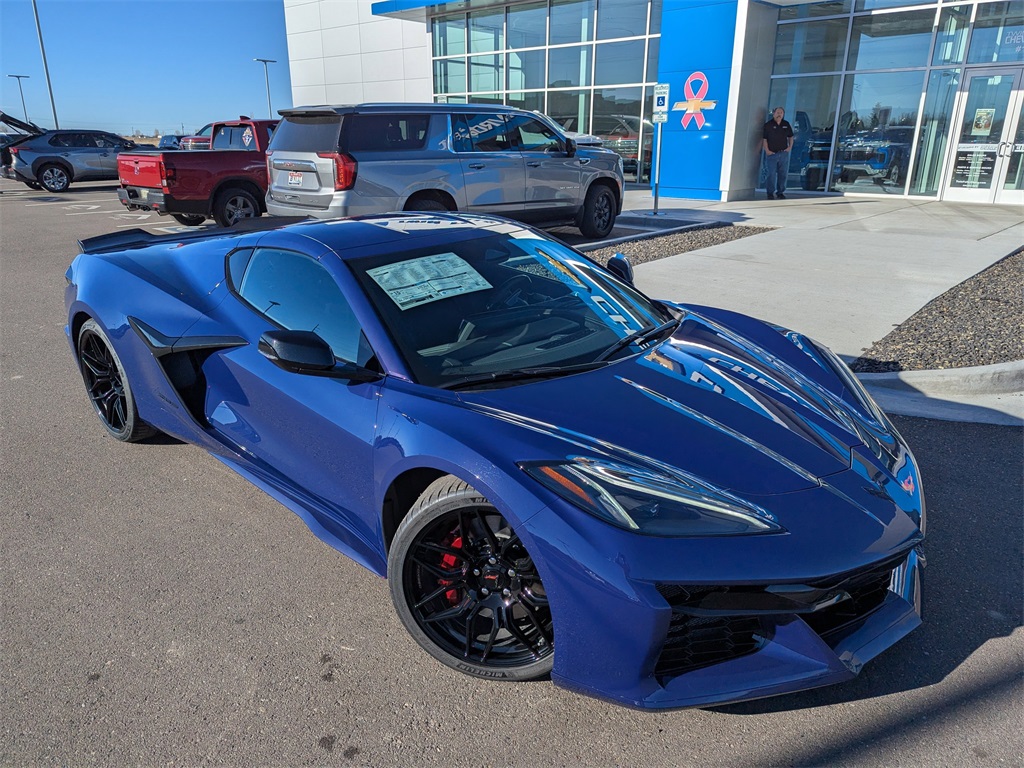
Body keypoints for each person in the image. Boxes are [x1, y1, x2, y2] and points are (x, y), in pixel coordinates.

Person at [762, 107, 794, 200]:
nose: (779, 114)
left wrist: (789, 147)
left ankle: (780, 192)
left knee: (782, 174)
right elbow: (764, 139)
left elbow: (791, 137)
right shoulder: (768, 125)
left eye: (781, 113)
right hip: (772, 154)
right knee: (771, 174)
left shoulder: (786, 124)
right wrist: (767, 150)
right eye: (778, 112)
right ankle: (770, 193)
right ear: (774, 113)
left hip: (783, 153)